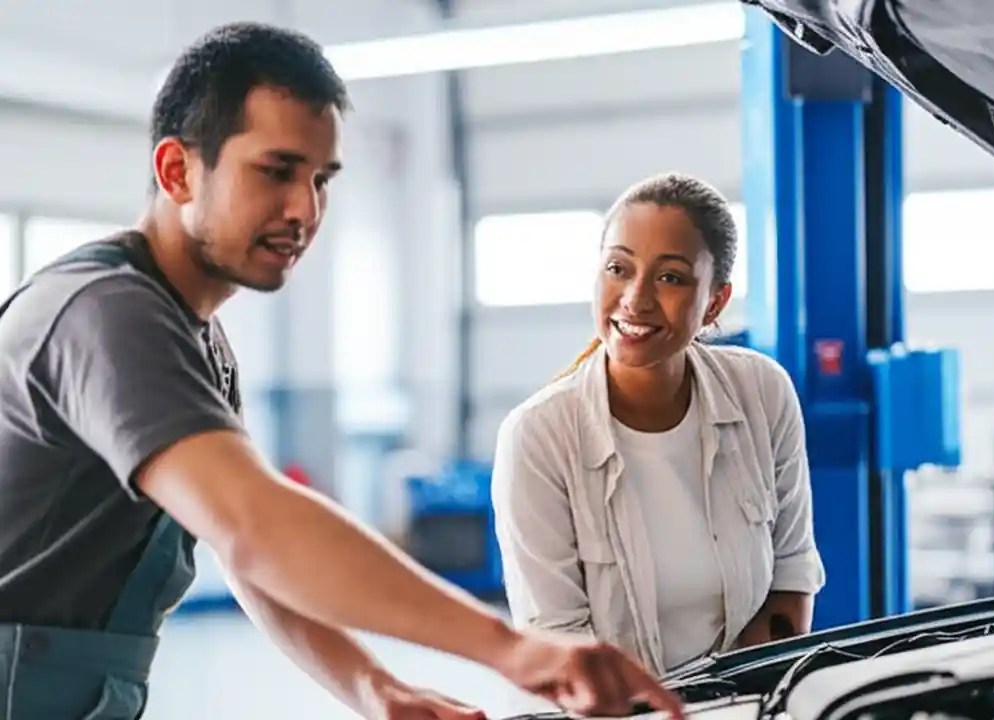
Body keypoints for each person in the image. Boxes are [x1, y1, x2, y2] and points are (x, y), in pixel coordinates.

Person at [0, 22, 684, 720]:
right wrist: (515, 648)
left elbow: (250, 561)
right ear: (178, 171)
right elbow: (254, 526)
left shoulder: (197, 341)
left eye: (320, 179)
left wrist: (372, 687)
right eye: (276, 171)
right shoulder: (106, 313)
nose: (306, 210)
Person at [491, 172, 826, 675]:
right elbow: (558, 643)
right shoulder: (539, 437)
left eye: (670, 276)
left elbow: (789, 579)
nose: (636, 298)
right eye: (618, 268)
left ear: (714, 301)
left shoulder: (762, 393)